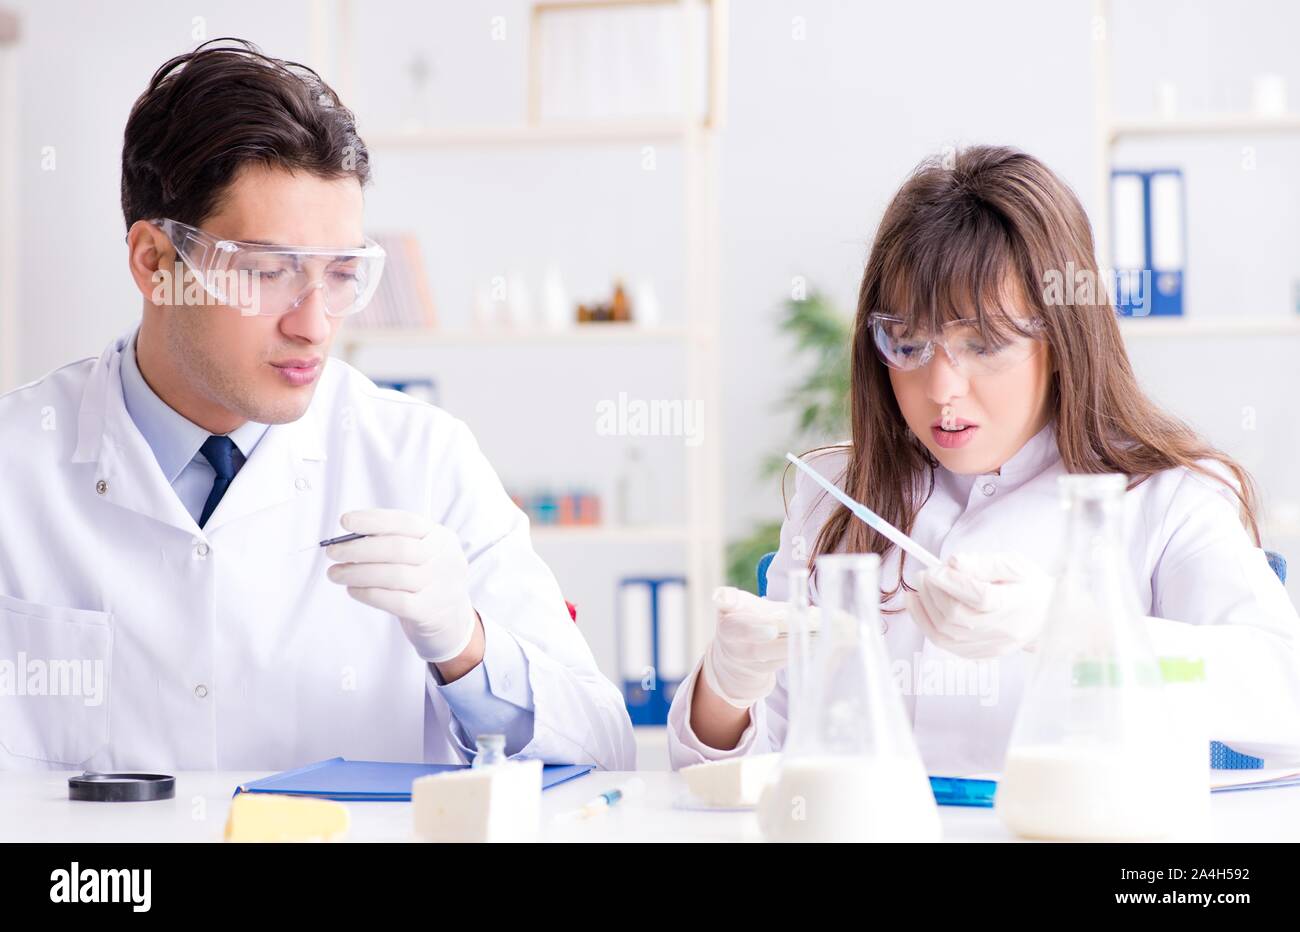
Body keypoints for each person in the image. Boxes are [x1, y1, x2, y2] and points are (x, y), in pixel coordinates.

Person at [0, 39, 634, 772]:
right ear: (155, 262)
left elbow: (608, 751)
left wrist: (466, 646)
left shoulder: (423, 459)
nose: (314, 322)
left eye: (340, 274)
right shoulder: (17, 465)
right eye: (269, 272)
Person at [669, 145, 1300, 775]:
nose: (941, 388)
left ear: (1064, 337)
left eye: (986, 344)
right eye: (909, 343)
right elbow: (743, 770)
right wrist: (724, 689)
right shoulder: (835, 495)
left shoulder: (1168, 499)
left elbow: (1280, 698)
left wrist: (1070, 629)